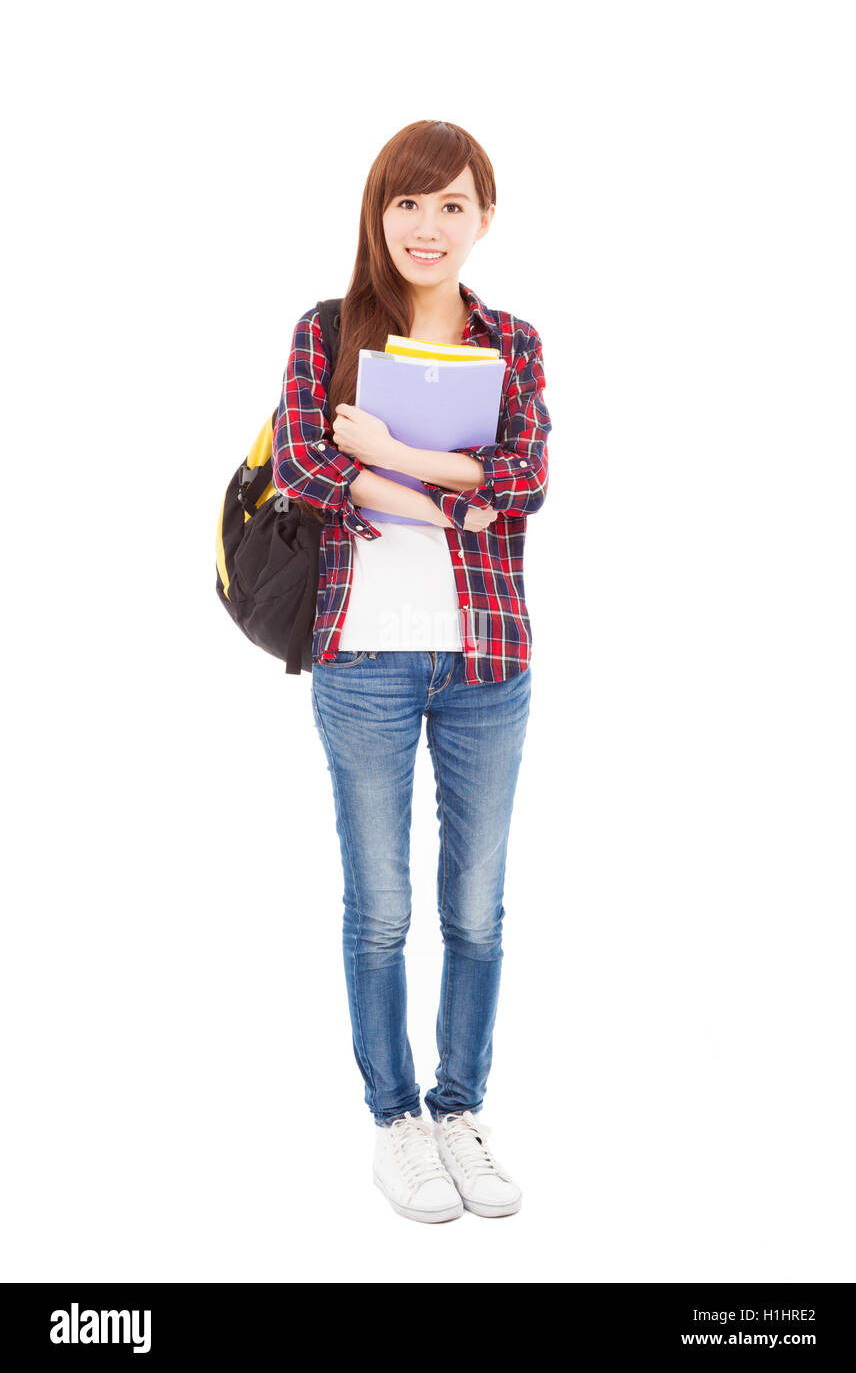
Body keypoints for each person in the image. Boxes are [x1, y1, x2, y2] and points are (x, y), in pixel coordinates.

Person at [272, 119, 551, 1223]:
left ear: (484, 216)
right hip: (363, 657)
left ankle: (459, 1109)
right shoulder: (324, 330)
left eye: (451, 205)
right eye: (406, 202)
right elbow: (303, 465)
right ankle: (396, 1122)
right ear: (376, 212)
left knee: (475, 911)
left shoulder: (513, 341)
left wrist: (383, 457)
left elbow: (522, 481)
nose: (426, 226)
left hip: (485, 656)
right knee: (379, 907)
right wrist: (454, 487)